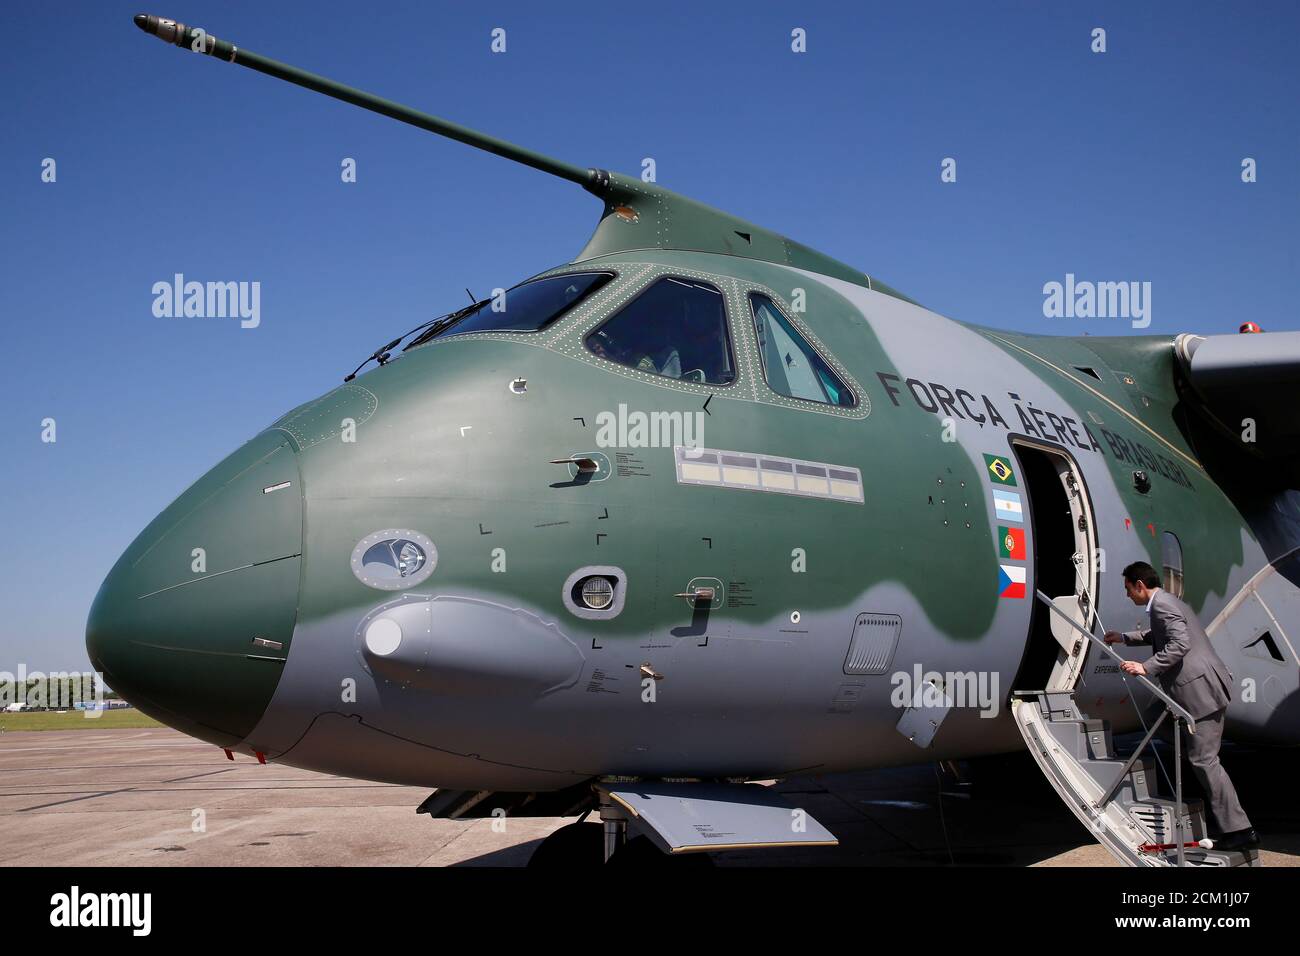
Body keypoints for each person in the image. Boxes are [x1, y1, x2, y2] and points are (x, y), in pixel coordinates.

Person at [1104, 561, 1258, 850]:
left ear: (1139, 585)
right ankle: (1193, 751)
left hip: (1201, 692)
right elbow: (1159, 636)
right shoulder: (1165, 602)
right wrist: (1123, 637)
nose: (1127, 596)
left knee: (1206, 761)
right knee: (1155, 718)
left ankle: (1240, 830)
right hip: (1196, 690)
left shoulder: (1162, 606)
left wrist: (1145, 667)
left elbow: (1179, 643)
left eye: (1128, 590)